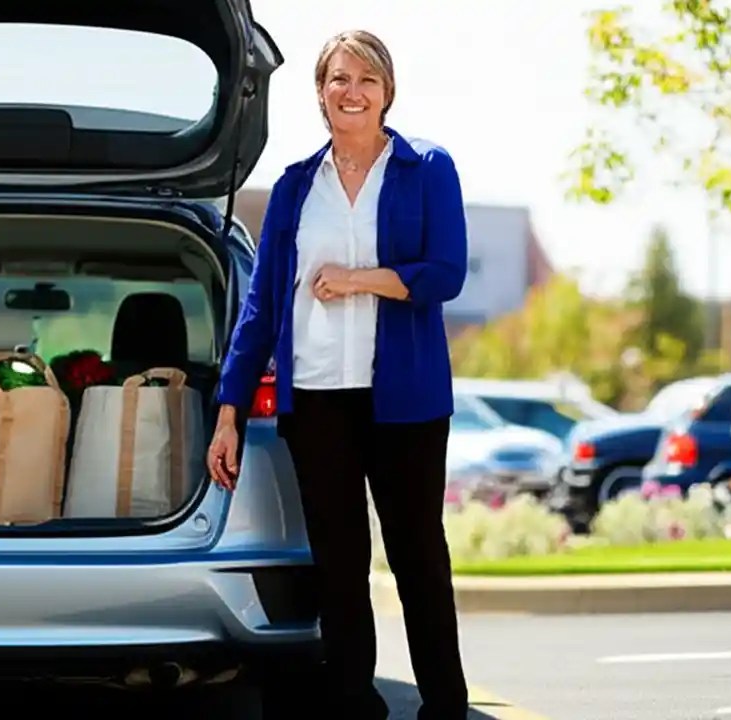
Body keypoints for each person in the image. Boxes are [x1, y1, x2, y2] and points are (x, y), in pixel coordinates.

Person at [208, 30, 470, 720]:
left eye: (367, 80)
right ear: (320, 93)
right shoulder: (297, 186)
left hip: (406, 400)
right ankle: (355, 703)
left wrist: (359, 281)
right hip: (317, 397)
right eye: (339, 79)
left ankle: (444, 705)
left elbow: (444, 273)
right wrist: (230, 408)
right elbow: (261, 307)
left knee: (418, 558)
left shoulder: (427, 168)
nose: (352, 92)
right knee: (339, 566)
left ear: (388, 91)